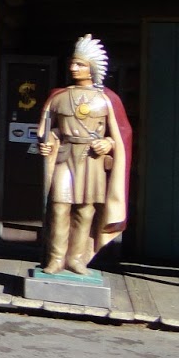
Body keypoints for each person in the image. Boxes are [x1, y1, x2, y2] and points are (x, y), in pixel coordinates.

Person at [37, 34, 131, 275]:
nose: (73, 67)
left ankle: (77, 258)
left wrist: (108, 143)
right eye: (73, 63)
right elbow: (46, 129)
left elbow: (120, 134)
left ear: (92, 69)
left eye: (80, 64)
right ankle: (56, 258)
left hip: (92, 161)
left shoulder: (107, 100)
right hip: (65, 157)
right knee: (59, 206)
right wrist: (47, 142)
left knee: (86, 210)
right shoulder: (58, 97)